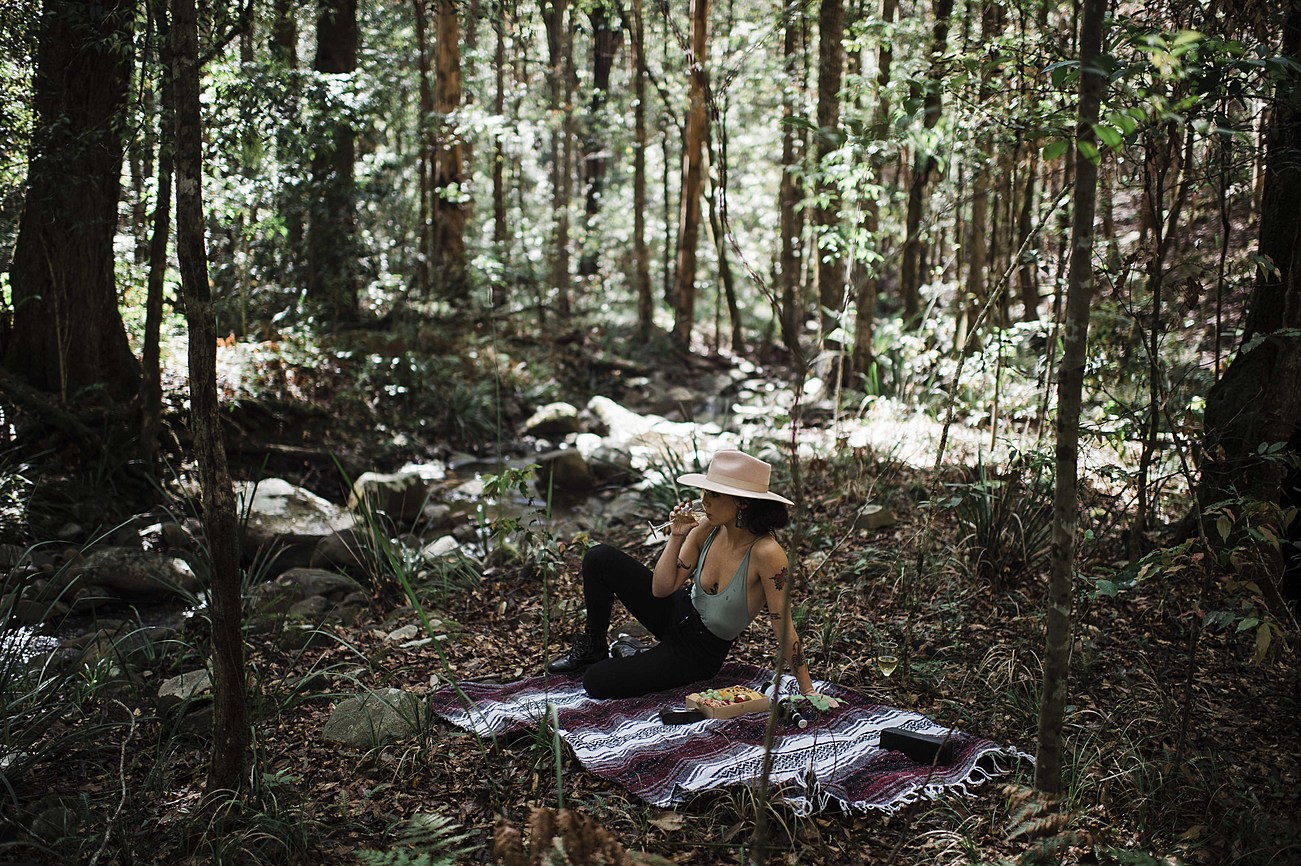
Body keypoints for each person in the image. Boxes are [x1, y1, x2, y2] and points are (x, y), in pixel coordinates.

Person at [546, 448, 825, 700]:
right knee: (599, 557)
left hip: (696, 653)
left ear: (743, 502)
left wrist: (807, 689)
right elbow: (661, 589)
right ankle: (592, 649)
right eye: (704, 493)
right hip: (675, 610)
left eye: (713, 495)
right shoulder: (707, 527)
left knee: (596, 681)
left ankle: (633, 653)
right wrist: (677, 537)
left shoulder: (767, 554)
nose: (704, 502)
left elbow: (782, 623)